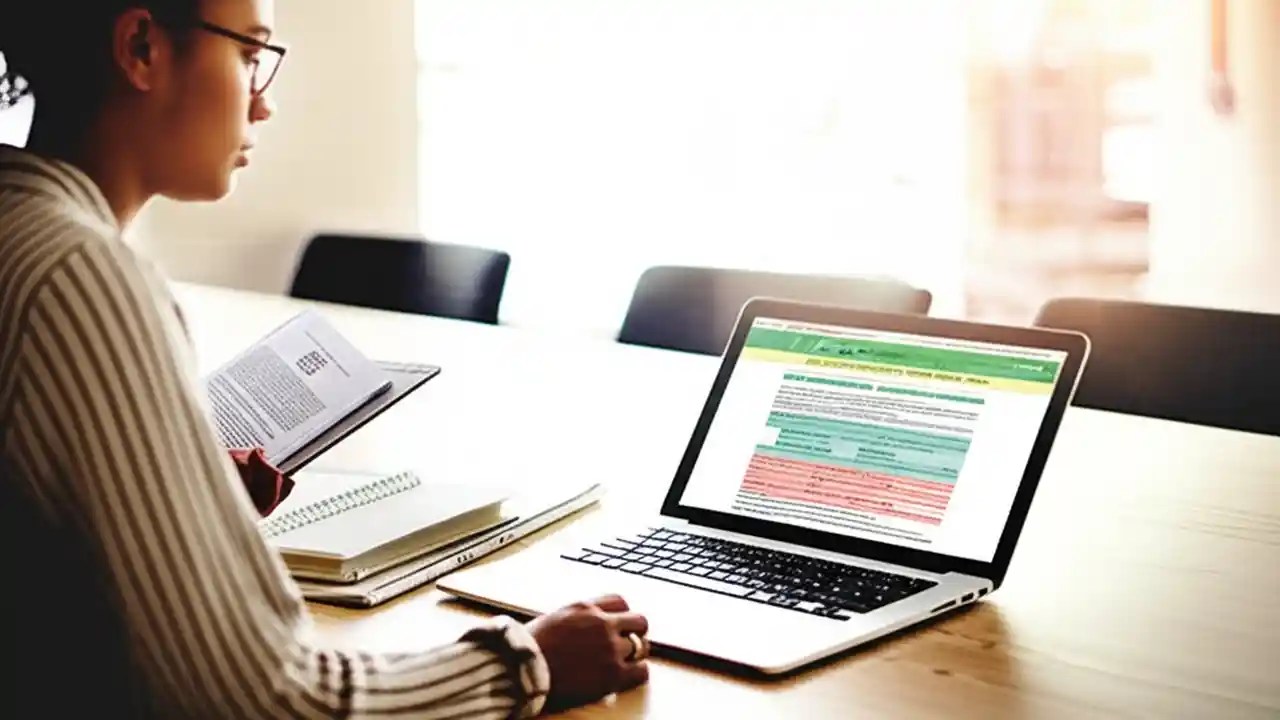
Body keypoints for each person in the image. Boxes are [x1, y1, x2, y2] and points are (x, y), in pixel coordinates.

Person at [0, 1, 651, 717]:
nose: (265, 102)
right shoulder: (83, 278)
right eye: (249, 55)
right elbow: (262, 699)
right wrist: (528, 663)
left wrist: (177, 503)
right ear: (142, 45)